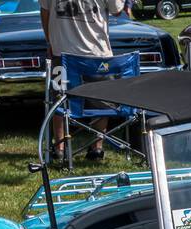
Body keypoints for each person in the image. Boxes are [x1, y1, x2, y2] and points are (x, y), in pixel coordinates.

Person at [40, 0, 127, 164]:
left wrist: (49, 41)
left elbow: (45, 12)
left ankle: (59, 147)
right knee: (101, 102)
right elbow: (117, 10)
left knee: (59, 100)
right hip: (96, 56)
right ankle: (96, 147)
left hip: (62, 54)